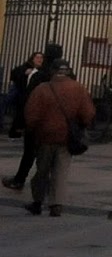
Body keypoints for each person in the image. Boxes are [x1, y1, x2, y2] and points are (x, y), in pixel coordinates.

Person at [22, 60, 94, 218]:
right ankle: (56, 204)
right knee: (61, 172)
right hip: (67, 137)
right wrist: (80, 125)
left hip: (45, 136)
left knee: (42, 170)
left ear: (52, 71)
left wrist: (33, 130)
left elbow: (31, 115)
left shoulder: (42, 89)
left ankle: (37, 202)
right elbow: (88, 113)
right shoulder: (78, 88)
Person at [3, 51, 48, 191]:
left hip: (35, 120)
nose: (40, 60)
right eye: (37, 57)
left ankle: (21, 180)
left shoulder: (40, 75)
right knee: (41, 155)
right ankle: (42, 184)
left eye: (41, 57)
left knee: (30, 153)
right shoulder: (30, 70)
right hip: (41, 120)